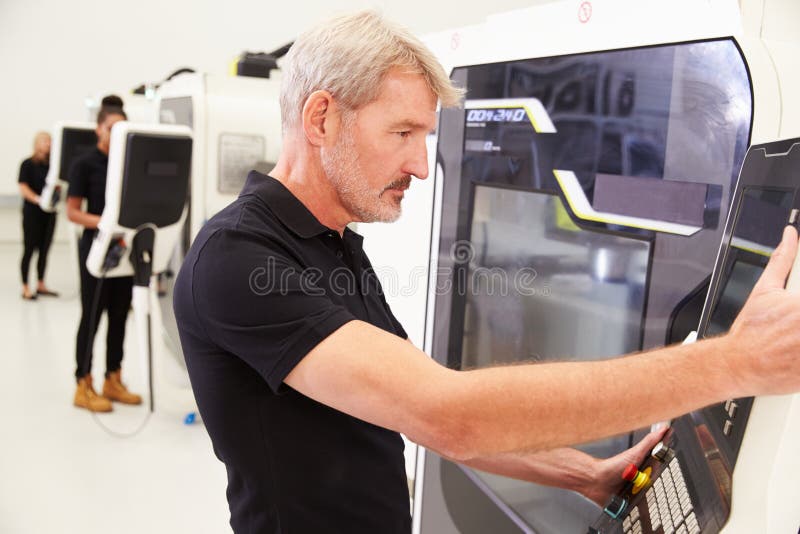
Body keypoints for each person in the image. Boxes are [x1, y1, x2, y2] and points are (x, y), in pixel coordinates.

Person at [173, 11, 800, 533]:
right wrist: (732, 362)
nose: (421, 166)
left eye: (427, 137)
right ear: (321, 119)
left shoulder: (332, 243)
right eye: (402, 132)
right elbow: (448, 414)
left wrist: (583, 473)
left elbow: (421, 412)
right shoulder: (239, 260)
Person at [66, 96, 142, 412]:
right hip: (95, 248)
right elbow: (72, 212)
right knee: (93, 315)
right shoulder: (84, 163)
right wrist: (104, 223)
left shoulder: (127, 164)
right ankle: (83, 383)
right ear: (99, 129)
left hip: (123, 249)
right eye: (112, 127)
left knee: (119, 316)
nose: (117, 132)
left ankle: (114, 378)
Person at [18, 131, 58, 300]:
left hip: (49, 213)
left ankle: (41, 283)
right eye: (44, 141)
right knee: (29, 249)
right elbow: (23, 187)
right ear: (36, 143)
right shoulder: (27, 164)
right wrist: (37, 199)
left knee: (44, 250)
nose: (47, 144)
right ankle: (26, 286)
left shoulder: (54, 166)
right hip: (32, 212)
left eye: (49, 141)